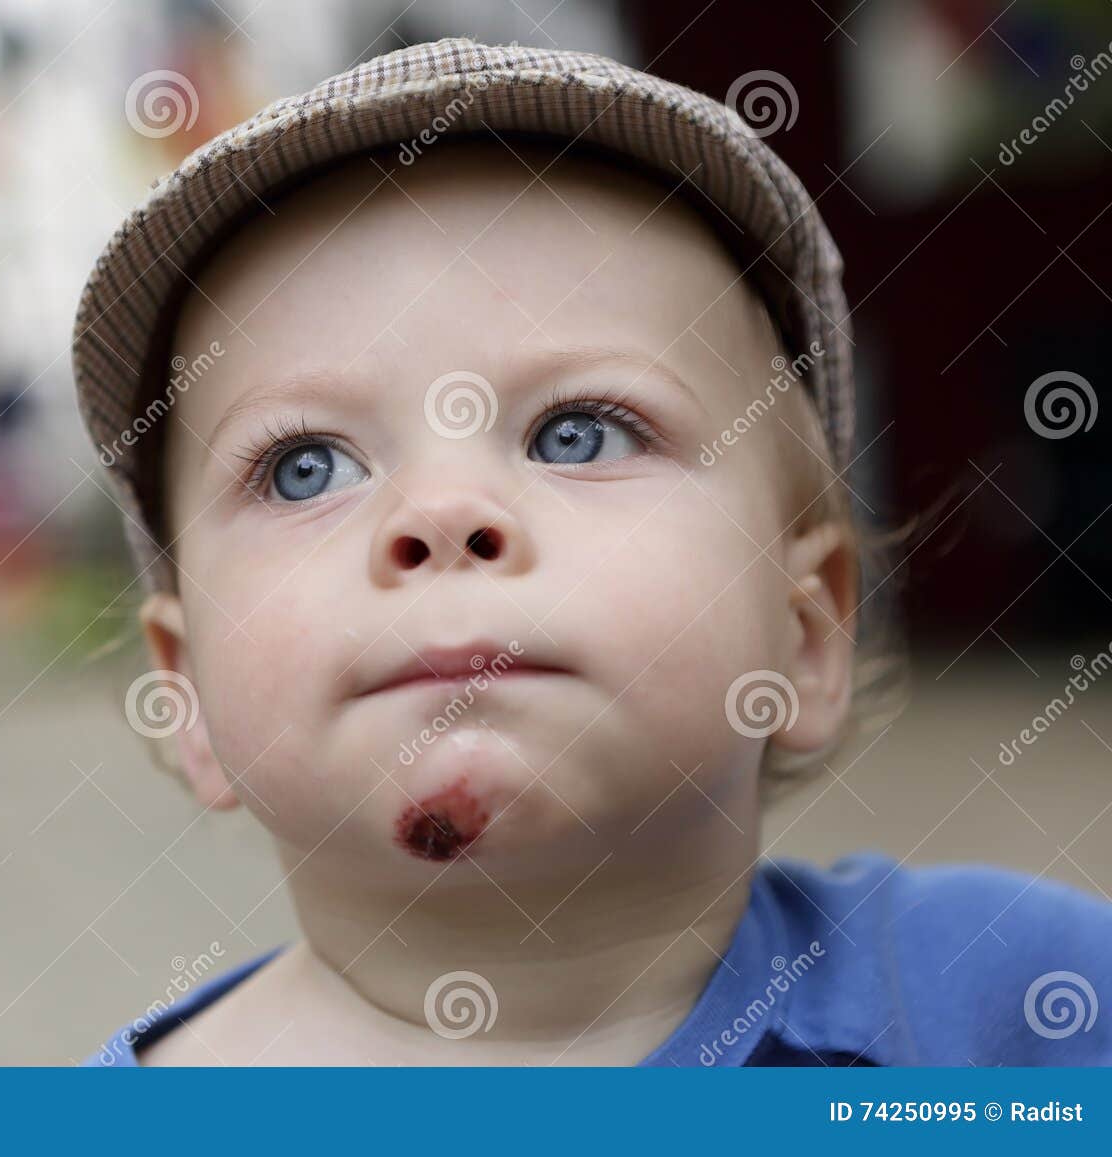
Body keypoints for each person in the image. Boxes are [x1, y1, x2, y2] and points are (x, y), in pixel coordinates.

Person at [70, 40, 1112, 1065]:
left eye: (577, 433)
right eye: (306, 467)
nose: (441, 513)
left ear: (803, 631)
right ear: (187, 693)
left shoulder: (1018, 1006)